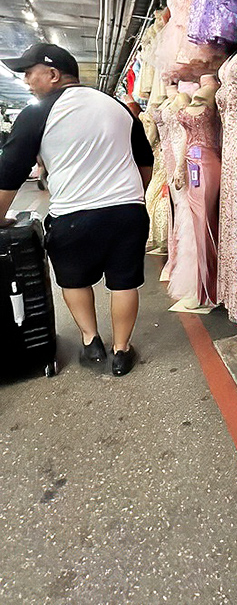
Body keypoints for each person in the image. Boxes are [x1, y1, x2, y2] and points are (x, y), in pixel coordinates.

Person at [0, 43, 154, 376]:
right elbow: (145, 162)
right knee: (124, 283)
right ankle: (121, 351)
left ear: (53, 74)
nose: (26, 81)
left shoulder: (36, 114)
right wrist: (132, 198)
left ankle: (91, 342)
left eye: (29, 73)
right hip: (127, 213)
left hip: (72, 216)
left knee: (73, 280)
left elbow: (9, 172)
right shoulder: (118, 107)